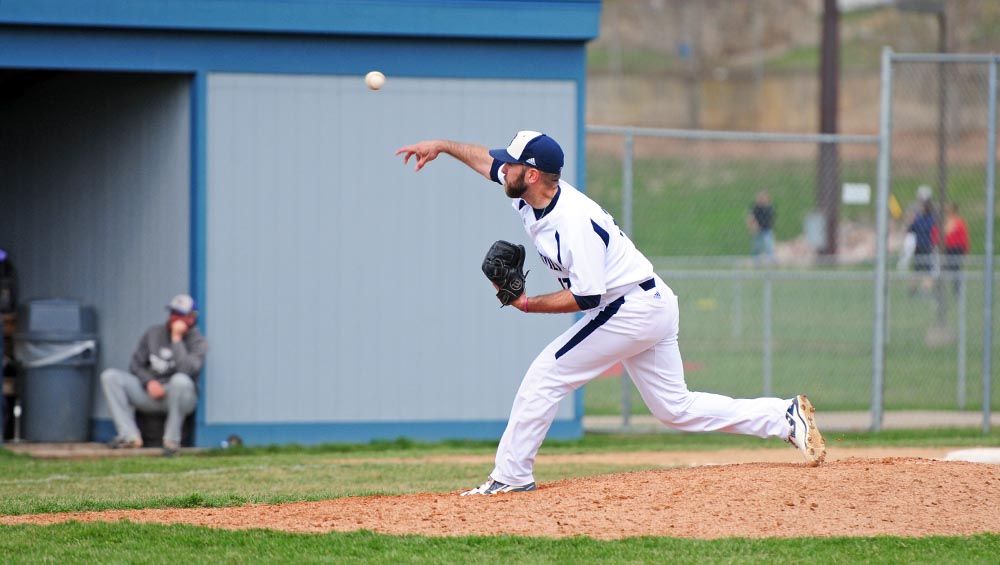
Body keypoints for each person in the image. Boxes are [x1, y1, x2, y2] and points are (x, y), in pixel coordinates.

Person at [396, 131, 826, 495]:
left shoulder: (572, 221)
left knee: (546, 374)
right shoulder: (529, 193)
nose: (501, 169)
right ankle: (782, 417)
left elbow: (586, 298)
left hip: (630, 307)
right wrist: (443, 146)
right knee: (673, 409)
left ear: (531, 174)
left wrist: (527, 304)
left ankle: (510, 477)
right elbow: (486, 160)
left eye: (511, 165)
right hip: (647, 302)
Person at [100, 294, 208, 456]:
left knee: (181, 381)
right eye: (173, 313)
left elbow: (186, 369)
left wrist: (176, 339)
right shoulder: (153, 333)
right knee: (110, 377)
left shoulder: (198, 343)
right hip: (151, 392)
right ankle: (129, 436)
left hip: (180, 398)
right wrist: (149, 382)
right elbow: (135, 365)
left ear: (191, 318)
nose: (174, 318)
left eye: (180, 315)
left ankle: (172, 441)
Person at [907, 198, 938, 295]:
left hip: (919, 247)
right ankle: (925, 289)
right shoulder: (933, 220)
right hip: (927, 247)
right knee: (927, 269)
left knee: (917, 269)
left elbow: (910, 230)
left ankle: (913, 289)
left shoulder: (918, 219)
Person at [938, 202, 969, 296]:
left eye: (949, 210)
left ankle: (957, 291)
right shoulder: (944, 221)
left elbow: (964, 238)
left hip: (956, 249)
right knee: (941, 269)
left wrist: (965, 251)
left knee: (955, 270)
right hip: (946, 249)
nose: (947, 211)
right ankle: (940, 291)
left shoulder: (959, 222)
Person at [746, 190, 775, 264]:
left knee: (769, 246)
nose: (762, 199)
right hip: (758, 230)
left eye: (764, 197)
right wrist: (752, 226)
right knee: (756, 248)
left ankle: (771, 261)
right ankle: (756, 262)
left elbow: (771, 219)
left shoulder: (769, 207)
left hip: (767, 230)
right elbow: (750, 217)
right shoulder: (755, 207)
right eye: (760, 197)